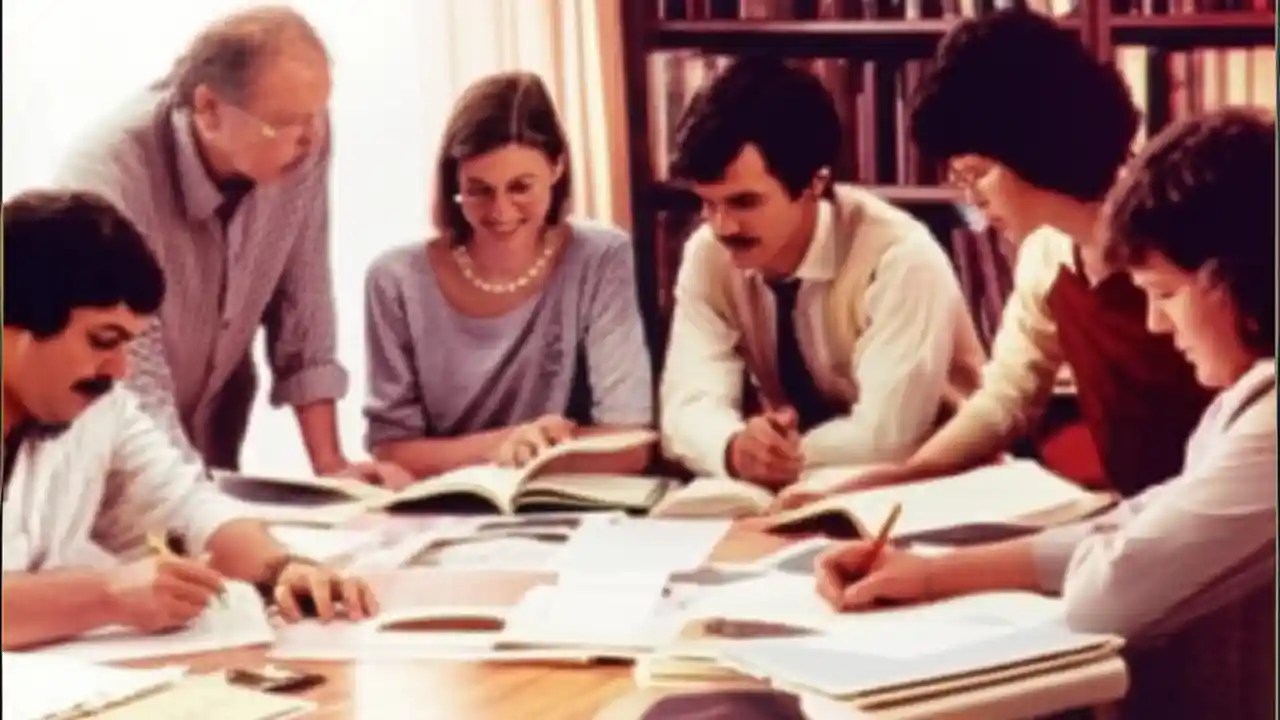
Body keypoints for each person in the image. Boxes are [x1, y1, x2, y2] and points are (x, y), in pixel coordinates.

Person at [814, 109, 1276, 719]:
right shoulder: (1243, 404)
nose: (1155, 324)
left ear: (1230, 281)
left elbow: (1106, 594)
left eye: (1165, 294)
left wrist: (1119, 545)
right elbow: (1132, 530)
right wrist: (929, 575)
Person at [777, 9, 1212, 507]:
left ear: (1036, 150)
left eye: (976, 173)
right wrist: (885, 480)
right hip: (1138, 516)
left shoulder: (1179, 240)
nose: (971, 199)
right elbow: (1006, 403)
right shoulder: (1046, 256)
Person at [1, 190, 378, 651]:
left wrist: (282, 570)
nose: (121, 370)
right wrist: (105, 597)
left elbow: (183, 506)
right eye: (103, 340)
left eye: (128, 344)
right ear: (13, 328)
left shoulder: (100, 408)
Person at [52, 6, 403, 484]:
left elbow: (305, 297)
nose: (311, 138)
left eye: (317, 114)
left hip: (213, 441)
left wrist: (331, 466)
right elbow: (134, 373)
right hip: (112, 462)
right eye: (287, 122)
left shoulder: (303, 140)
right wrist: (199, 507)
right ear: (209, 110)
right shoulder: (108, 178)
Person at [659, 57, 986, 489]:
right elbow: (685, 405)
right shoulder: (708, 256)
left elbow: (888, 436)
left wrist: (777, 455)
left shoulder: (899, 256)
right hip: (799, 488)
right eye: (708, 203)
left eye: (744, 203)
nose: (721, 227)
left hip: (934, 484)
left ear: (815, 183)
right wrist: (734, 447)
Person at [363, 72, 653, 478]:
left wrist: (532, 452)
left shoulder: (601, 256)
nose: (500, 212)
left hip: (562, 499)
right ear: (454, 180)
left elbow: (630, 441)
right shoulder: (394, 280)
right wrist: (504, 443)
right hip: (443, 508)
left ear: (557, 167)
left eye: (520, 187)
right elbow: (392, 451)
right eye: (479, 190)